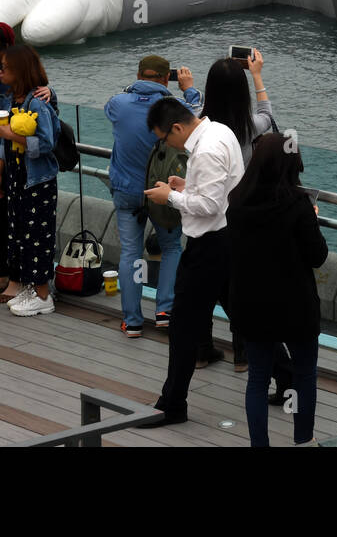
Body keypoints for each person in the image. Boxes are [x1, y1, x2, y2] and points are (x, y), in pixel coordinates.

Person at [141, 97, 243, 426]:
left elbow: (210, 206)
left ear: (176, 128)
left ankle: (172, 405)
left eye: (164, 138)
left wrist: (169, 197)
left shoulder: (207, 149)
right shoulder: (219, 131)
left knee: (182, 326)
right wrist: (186, 187)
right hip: (227, 239)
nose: (165, 144)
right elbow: (219, 193)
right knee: (244, 317)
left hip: (208, 246)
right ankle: (287, 377)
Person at [227, 133, 327, 446]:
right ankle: (303, 440)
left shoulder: (237, 202)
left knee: (257, 377)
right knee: (304, 373)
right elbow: (317, 256)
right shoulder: (298, 205)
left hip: (252, 302)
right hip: (294, 305)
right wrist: (313, 221)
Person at [104, 55, 200, 338]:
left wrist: (136, 88)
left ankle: (132, 320)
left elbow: (118, 99)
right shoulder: (177, 108)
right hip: (164, 190)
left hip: (126, 192)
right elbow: (198, 115)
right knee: (171, 248)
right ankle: (164, 311)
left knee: (131, 254)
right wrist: (188, 88)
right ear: (164, 78)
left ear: (138, 75)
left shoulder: (118, 104)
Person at [197, 50, 275, 372]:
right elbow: (268, 116)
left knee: (204, 286)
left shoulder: (199, 125)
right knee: (240, 287)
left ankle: (202, 350)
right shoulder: (246, 128)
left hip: (204, 217)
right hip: (238, 218)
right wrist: (256, 75)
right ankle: (242, 354)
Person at [0, 22, 52, 299]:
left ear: (4, 46)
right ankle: (1, 273)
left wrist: (51, 92)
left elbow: (37, 102)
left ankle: (18, 278)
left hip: (13, 153)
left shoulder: (12, 75)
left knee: (14, 219)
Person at [0, 45, 61, 318]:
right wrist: (0, 171)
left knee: (37, 237)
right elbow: (7, 144)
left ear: (19, 70)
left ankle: (43, 294)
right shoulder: (16, 100)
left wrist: (10, 135)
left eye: (5, 67)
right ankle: (33, 288)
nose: (1, 71)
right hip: (18, 177)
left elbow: (46, 144)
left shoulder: (36, 102)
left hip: (36, 181)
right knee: (20, 234)